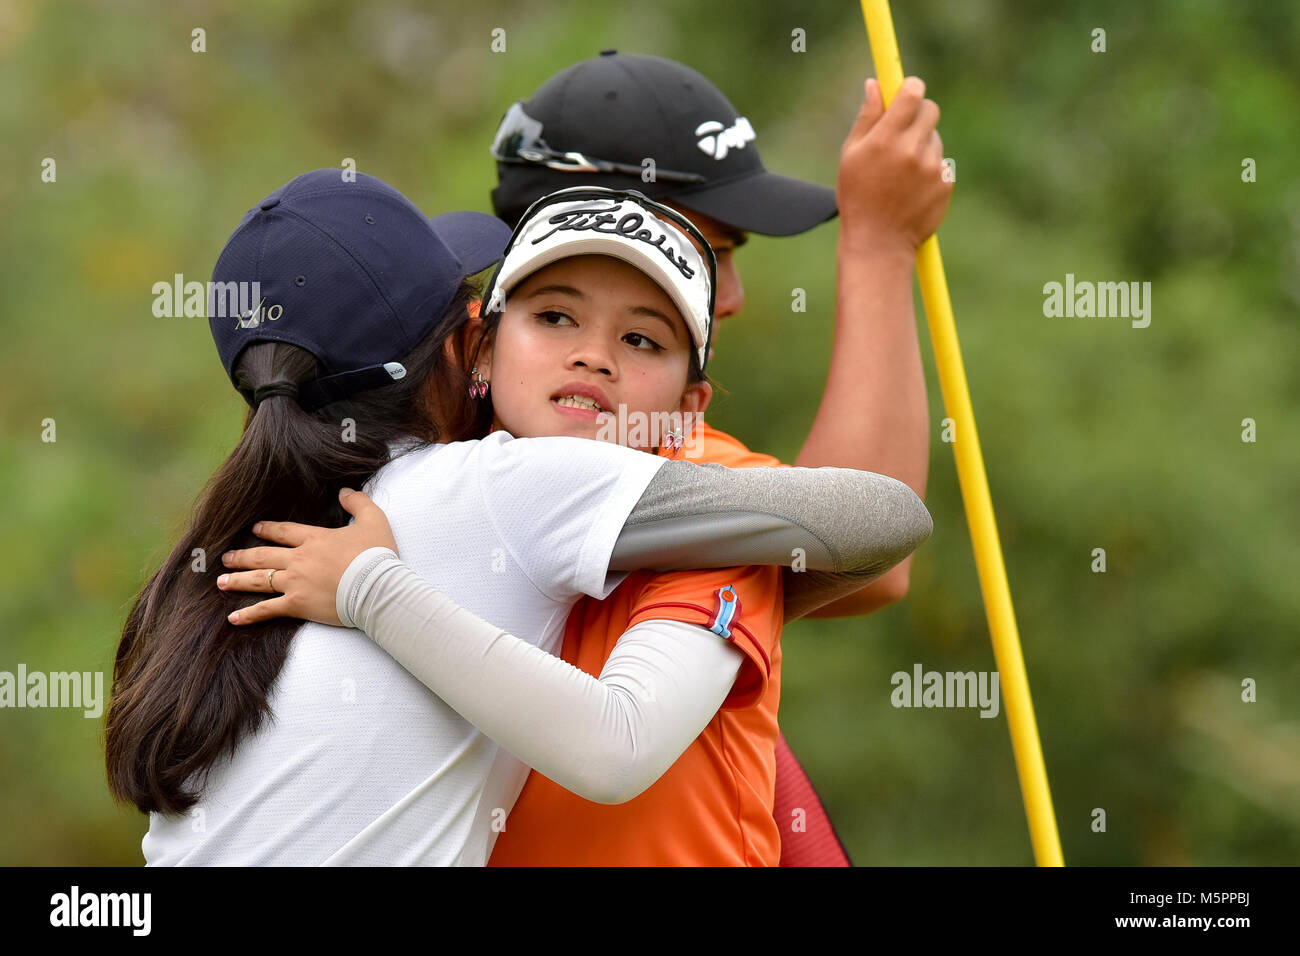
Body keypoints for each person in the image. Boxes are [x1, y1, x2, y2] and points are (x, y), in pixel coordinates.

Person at [111, 171, 931, 865]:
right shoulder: (501, 485)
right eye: (553, 317)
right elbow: (883, 517)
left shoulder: (219, 546)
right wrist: (372, 589)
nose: (594, 355)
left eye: (643, 339)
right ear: (469, 354)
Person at [483, 52, 953, 865]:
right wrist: (878, 249)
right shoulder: (644, 440)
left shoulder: (411, 420)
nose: (730, 294)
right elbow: (873, 555)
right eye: (714, 247)